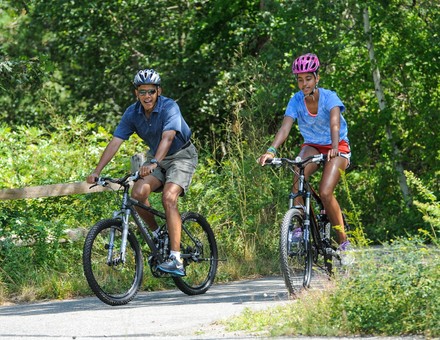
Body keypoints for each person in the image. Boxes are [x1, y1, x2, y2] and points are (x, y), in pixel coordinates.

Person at [86, 68, 198, 276]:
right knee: (137, 194)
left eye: (151, 92)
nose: (147, 96)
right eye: (142, 92)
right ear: (136, 93)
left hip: (181, 156)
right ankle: (157, 234)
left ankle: (176, 259)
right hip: (156, 159)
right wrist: (97, 171)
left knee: (169, 197)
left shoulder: (169, 107)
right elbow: (115, 142)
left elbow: (168, 138)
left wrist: (154, 162)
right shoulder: (132, 113)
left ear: (159, 91)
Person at [258, 53, 351, 251]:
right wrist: (271, 151)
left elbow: (335, 123)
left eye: (308, 78)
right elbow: (285, 128)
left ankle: (344, 242)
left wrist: (334, 148)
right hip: (313, 144)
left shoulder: (329, 97)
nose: (304, 83)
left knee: (326, 192)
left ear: (317, 78)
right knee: (297, 177)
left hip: (337, 146)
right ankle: (300, 225)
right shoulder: (296, 101)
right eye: (300, 80)